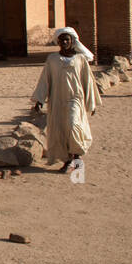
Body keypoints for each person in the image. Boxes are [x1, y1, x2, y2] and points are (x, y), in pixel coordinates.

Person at [31, 26, 100, 173]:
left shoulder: (80, 59)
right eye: (61, 40)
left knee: (73, 125)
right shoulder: (52, 59)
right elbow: (45, 80)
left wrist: (91, 103)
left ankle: (77, 156)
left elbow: (88, 81)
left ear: (72, 41)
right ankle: (68, 160)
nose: (64, 42)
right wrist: (39, 100)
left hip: (75, 98)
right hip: (57, 99)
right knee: (61, 130)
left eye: (66, 40)